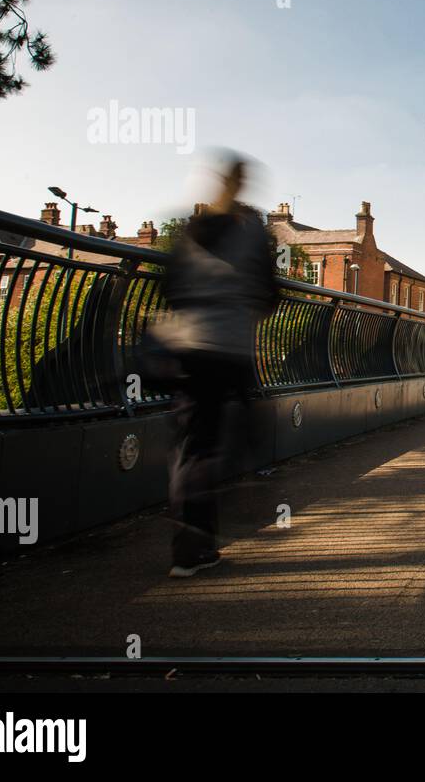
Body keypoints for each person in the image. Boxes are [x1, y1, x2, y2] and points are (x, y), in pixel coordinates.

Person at [160, 155, 279, 577]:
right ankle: (235, 501)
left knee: (192, 447)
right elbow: (268, 293)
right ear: (242, 184)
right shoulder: (251, 232)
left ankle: (189, 548)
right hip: (230, 350)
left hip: (189, 349)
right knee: (246, 434)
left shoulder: (190, 229)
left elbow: (170, 289)